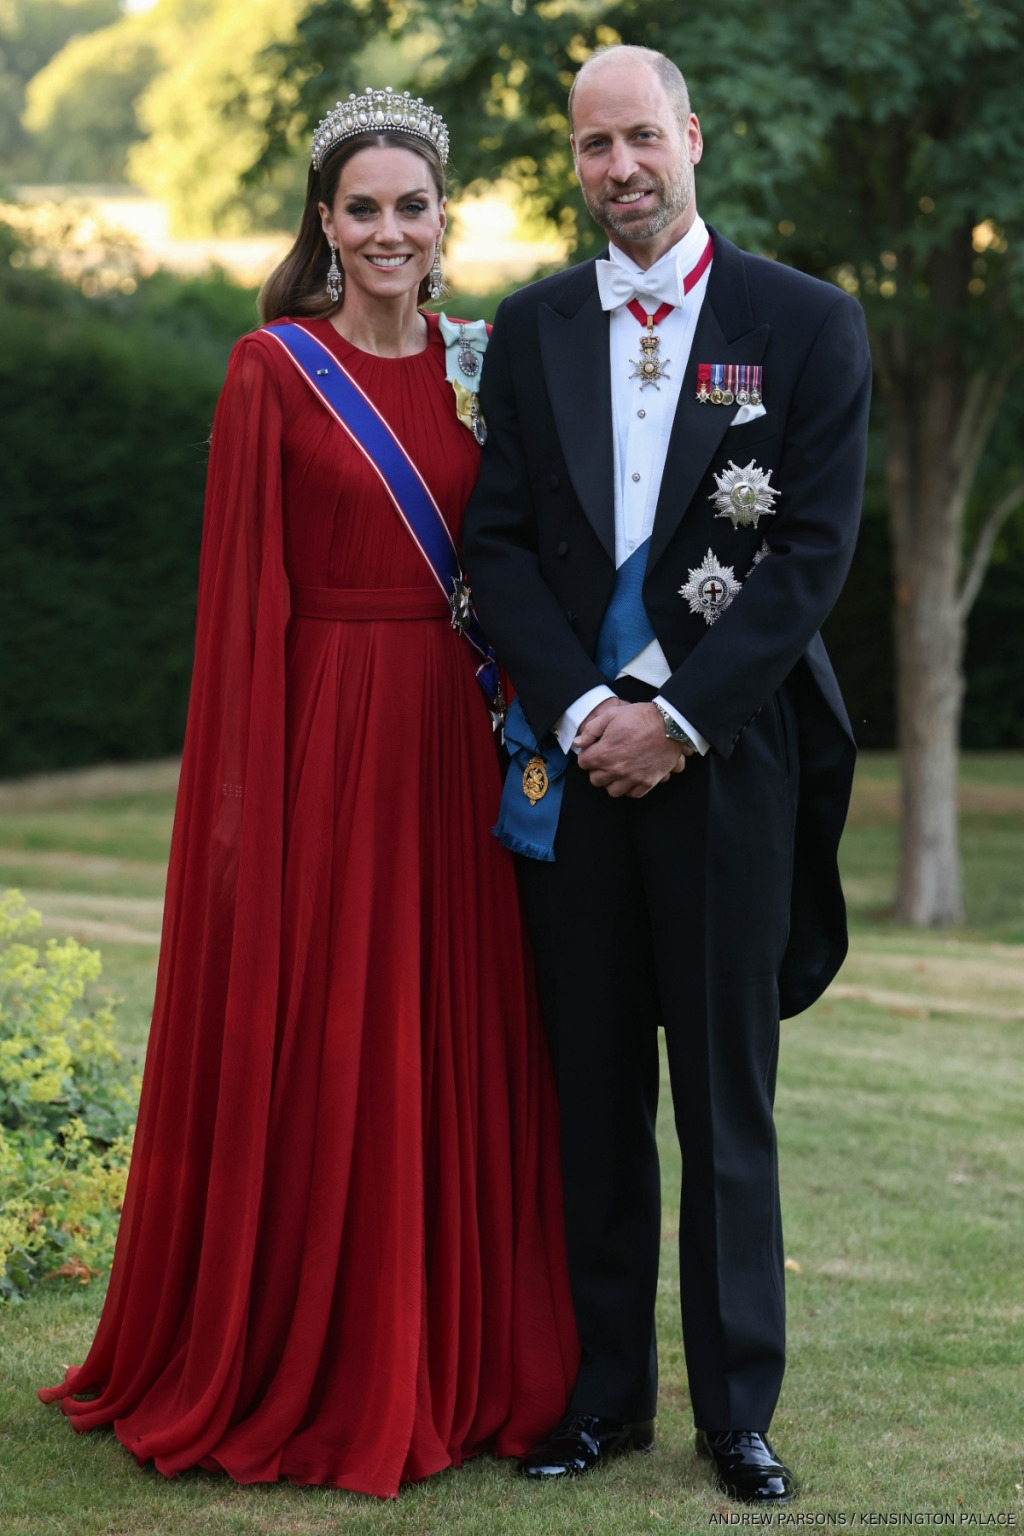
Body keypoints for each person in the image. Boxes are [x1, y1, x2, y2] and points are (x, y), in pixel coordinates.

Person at [39, 88, 578, 1499]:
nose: (390, 229)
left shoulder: (485, 364)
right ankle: (326, 1356)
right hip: (330, 740)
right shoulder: (272, 368)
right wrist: (249, 810)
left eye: (413, 205)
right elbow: (242, 611)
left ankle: (458, 1361)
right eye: (364, 208)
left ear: (442, 217)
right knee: (343, 1031)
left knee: (455, 1033)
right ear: (324, 225)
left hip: (456, 748)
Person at [463, 45, 871, 1505]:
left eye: (641, 137)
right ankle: (600, 1400)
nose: (619, 168)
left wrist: (673, 717)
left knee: (723, 1101)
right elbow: (497, 545)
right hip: (575, 769)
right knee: (588, 1093)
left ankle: (739, 1411)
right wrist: (581, 709)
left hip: (725, 761)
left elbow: (810, 556)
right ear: (573, 162)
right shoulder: (529, 328)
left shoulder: (807, 322)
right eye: (592, 147)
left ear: (693, 136)